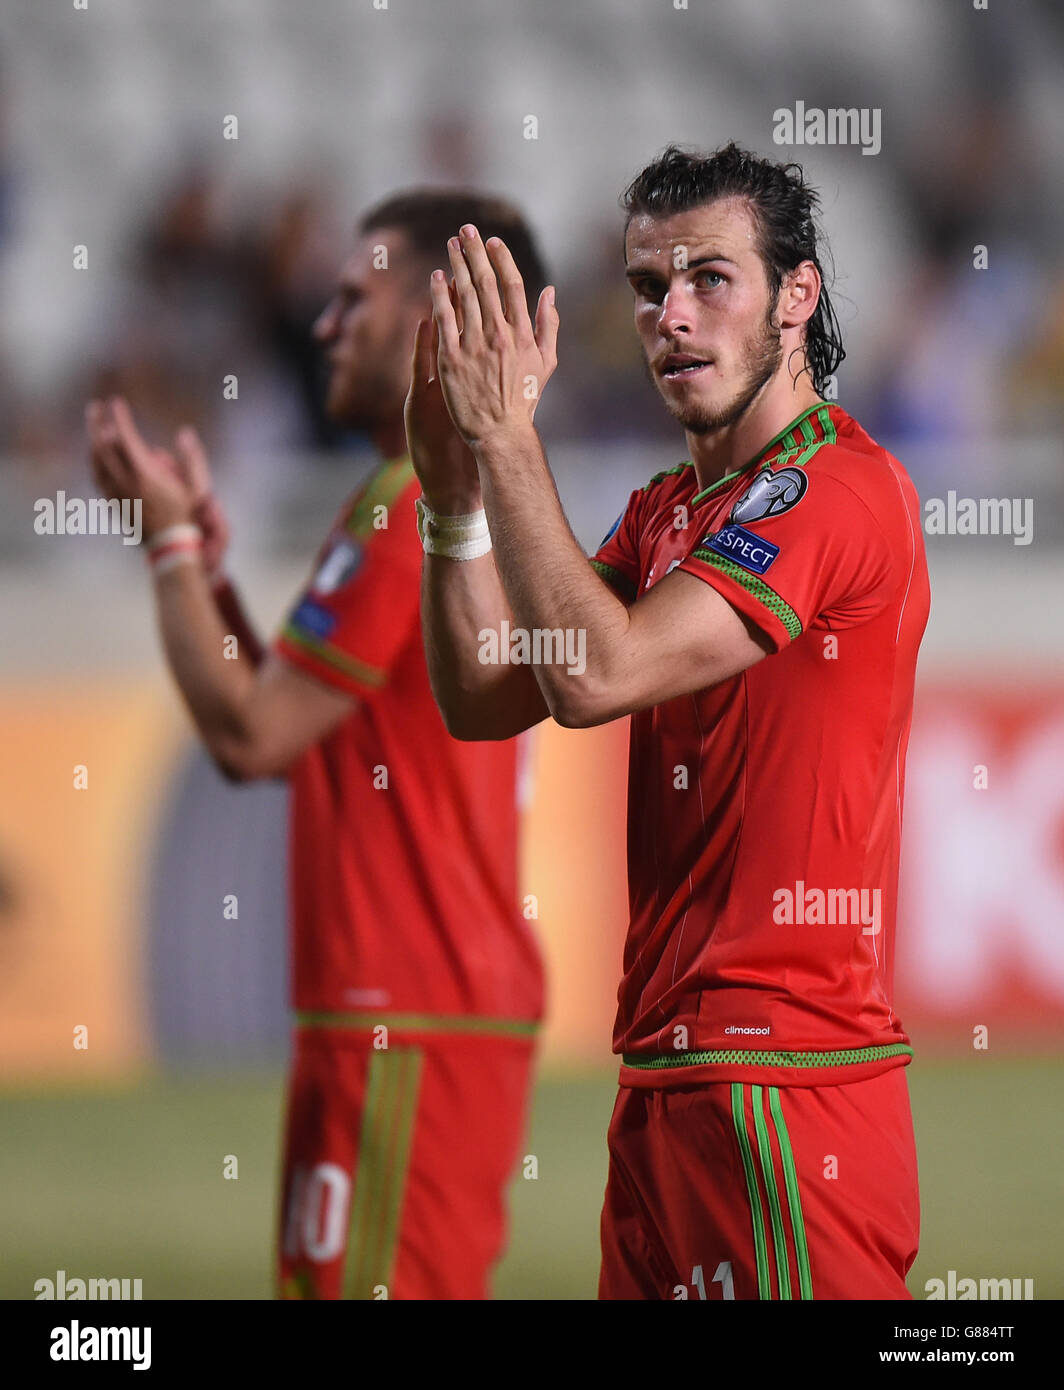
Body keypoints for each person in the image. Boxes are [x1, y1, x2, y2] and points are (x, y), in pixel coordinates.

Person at [406, 142, 930, 1300]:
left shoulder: (835, 489)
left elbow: (594, 675)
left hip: (789, 1089)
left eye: (709, 280)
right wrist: (451, 507)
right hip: (665, 1081)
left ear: (796, 295)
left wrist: (505, 441)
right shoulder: (664, 510)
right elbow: (488, 687)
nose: (671, 318)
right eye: (648, 289)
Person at [87, 189, 550, 1300]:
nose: (324, 325)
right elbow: (294, 721)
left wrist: (163, 550)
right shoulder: (416, 504)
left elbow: (253, 734)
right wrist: (198, 557)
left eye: (354, 299)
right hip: (412, 1007)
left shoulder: (409, 509)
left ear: (434, 319)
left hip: (408, 1010)